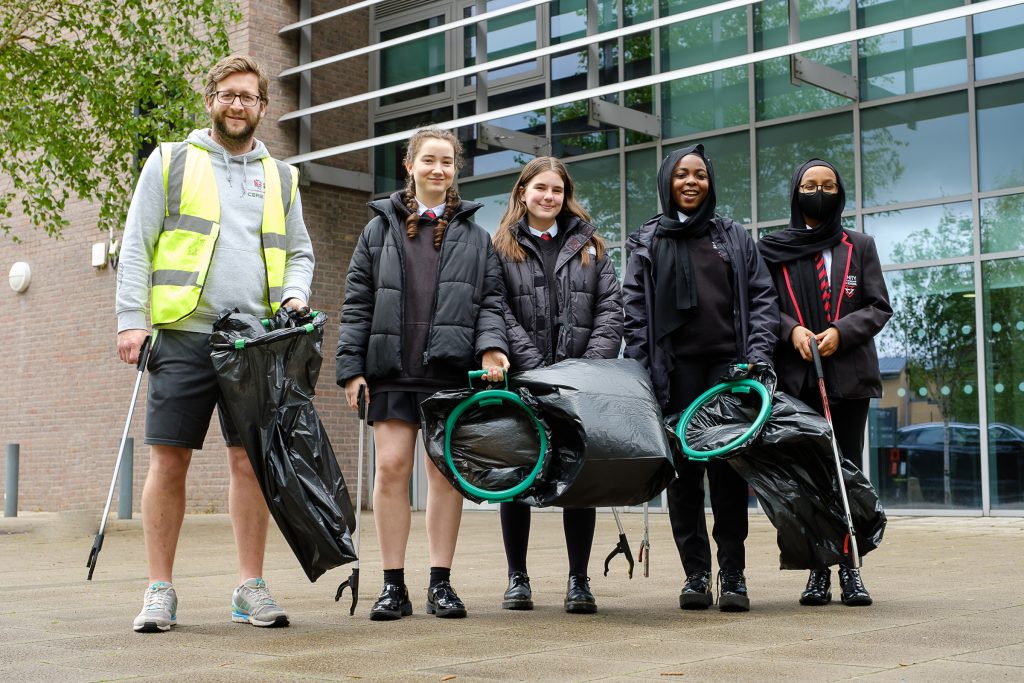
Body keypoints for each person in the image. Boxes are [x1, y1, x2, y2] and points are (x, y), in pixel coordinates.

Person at [115, 55, 314, 633]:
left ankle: (249, 586)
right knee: (169, 460)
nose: (237, 105)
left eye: (248, 97)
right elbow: (137, 244)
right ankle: (159, 590)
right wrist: (132, 319)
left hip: (252, 342)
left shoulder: (281, 177)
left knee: (250, 464)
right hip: (181, 332)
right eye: (227, 94)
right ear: (211, 100)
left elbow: (299, 251)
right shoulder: (171, 160)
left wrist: (295, 296)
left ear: (262, 107)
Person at [336, 128, 510, 621]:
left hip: (448, 372)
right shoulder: (377, 230)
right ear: (409, 166)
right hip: (391, 369)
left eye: (448, 162)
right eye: (429, 160)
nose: (439, 169)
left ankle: (441, 583)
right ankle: (393, 585)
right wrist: (352, 369)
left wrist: (492, 348)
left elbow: (490, 303)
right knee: (391, 468)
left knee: (444, 476)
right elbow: (357, 304)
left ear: (456, 171)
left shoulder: (477, 238)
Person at [622, 144, 779, 612]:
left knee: (729, 474)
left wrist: (756, 356)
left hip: (729, 370)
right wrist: (641, 368)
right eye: (681, 175)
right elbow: (634, 313)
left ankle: (733, 575)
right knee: (684, 477)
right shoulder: (647, 240)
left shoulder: (732, 236)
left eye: (700, 176)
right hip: (674, 372)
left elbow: (762, 299)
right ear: (667, 182)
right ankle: (695, 574)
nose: (691, 182)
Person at [756, 159, 892, 607]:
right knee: (808, 477)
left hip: (848, 379)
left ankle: (851, 569)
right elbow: (763, 305)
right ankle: (816, 571)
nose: (819, 191)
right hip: (798, 380)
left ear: (840, 193)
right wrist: (791, 329)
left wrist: (840, 331)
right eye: (810, 185)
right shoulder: (773, 249)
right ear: (796, 193)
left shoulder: (860, 245)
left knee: (845, 472)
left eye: (827, 185)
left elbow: (877, 306)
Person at [491, 157, 623, 614]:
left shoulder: (591, 247)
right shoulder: (500, 246)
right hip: (525, 379)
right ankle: (517, 578)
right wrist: (532, 365)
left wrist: (586, 369)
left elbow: (610, 310)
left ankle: (579, 580)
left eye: (558, 190)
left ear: (566, 196)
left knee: (578, 478)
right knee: (518, 476)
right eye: (541, 188)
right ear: (523, 192)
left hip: (578, 383)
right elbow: (497, 309)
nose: (549, 197)